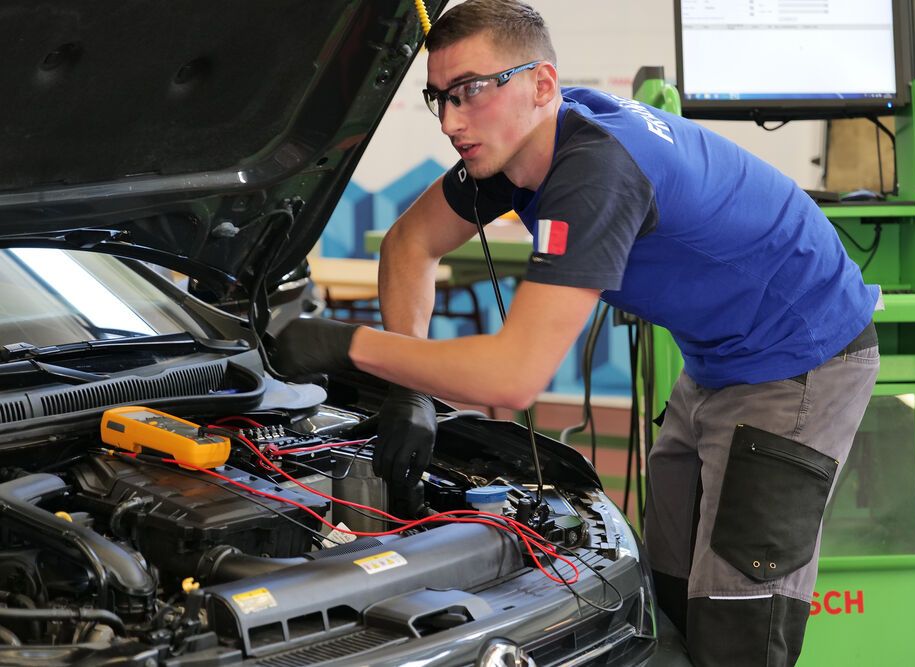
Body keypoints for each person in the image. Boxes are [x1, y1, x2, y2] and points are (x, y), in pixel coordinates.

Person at [272, 0, 880, 664]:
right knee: (669, 590)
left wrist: (347, 348)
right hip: (717, 360)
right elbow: (410, 244)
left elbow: (516, 375)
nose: (450, 121)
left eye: (471, 91)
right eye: (438, 97)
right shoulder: (524, 150)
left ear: (541, 85)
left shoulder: (595, 172)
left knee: (737, 621)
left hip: (802, 360)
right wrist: (408, 391)